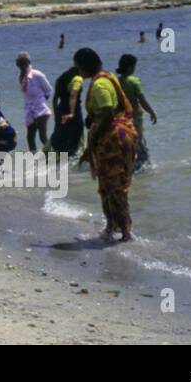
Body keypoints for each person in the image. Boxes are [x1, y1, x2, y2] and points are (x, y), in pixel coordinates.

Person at [74, 48, 138, 241]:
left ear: (85, 66)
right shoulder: (108, 77)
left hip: (112, 141)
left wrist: (92, 140)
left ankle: (125, 232)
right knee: (110, 186)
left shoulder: (100, 84)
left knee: (114, 187)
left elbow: (108, 112)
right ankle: (112, 227)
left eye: (78, 67)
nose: (78, 72)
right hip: (119, 137)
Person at [116, 54, 158, 172]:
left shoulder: (117, 81)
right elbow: (142, 100)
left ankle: (128, 165)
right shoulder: (134, 81)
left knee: (127, 140)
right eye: (134, 66)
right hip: (135, 115)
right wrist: (152, 112)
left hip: (121, 116)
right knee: (139, 140)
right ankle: (144, 168)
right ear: (130, 67)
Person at [15, 52, 52, 153]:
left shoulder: (37, 74)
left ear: (28, 62)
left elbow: (48, 91)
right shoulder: (21, 77)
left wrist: (40, 102)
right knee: (30, 137)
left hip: (41, 109)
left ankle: (54, 157)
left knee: (42, 136)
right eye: (19, 63)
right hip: (29, 110)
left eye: (23, 63)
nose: (21, 66)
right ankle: (34, 160)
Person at [49, 63, 84, 157]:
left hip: (61, 110)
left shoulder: (60, 79)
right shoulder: (77, 79)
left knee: (61, 138)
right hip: (74, 111)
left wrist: (56, 115)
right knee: (75, 140)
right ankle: (73, 167)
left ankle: (58, 164)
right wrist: (72, 113)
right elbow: (73, 95)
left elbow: (55, 98)